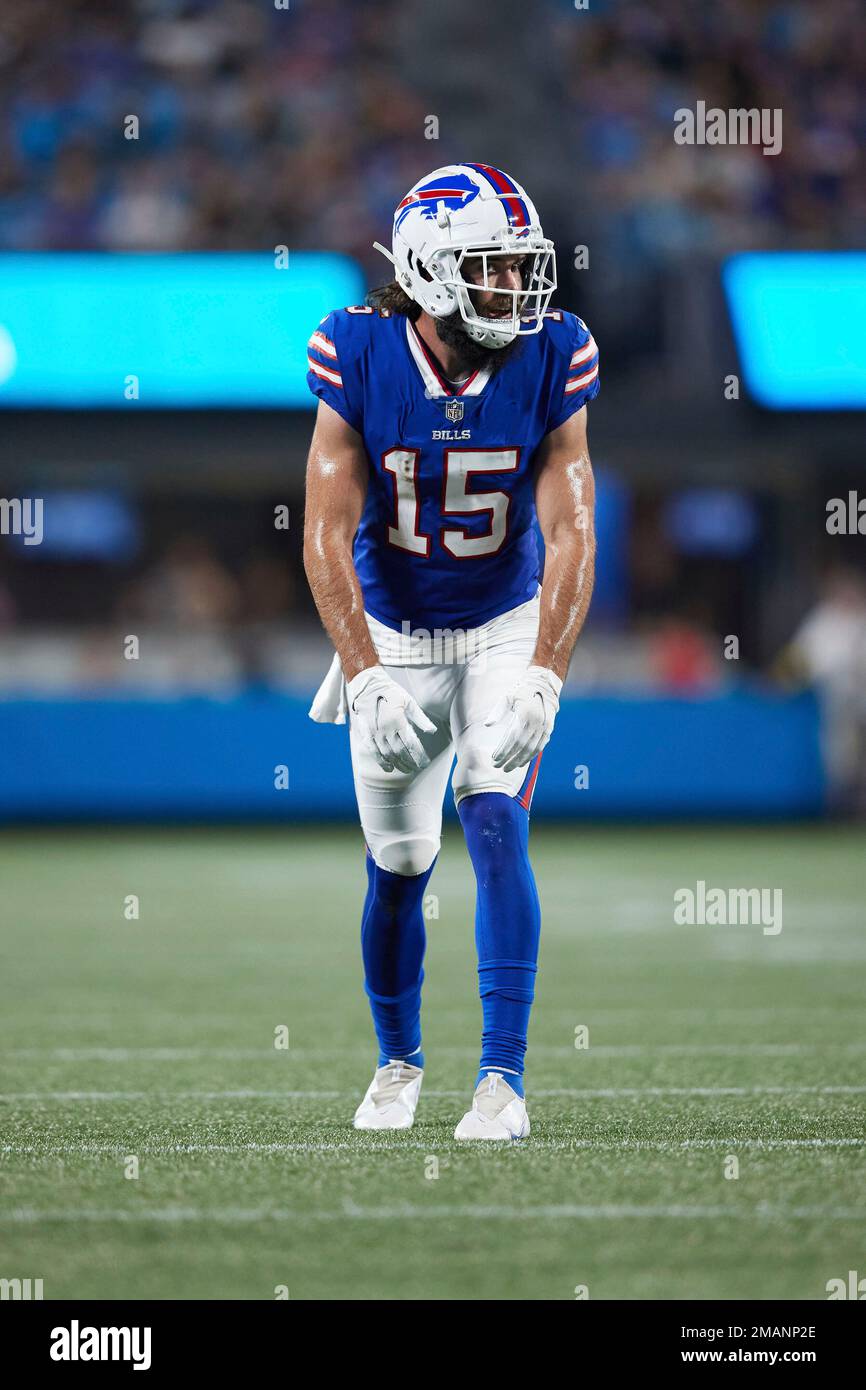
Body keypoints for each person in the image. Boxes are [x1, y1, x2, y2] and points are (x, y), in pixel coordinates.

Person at [303, 163, 598, 1139]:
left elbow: (570, 528)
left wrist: (548, 672)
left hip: (504, 618)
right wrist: (363, 669)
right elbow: (323, 530)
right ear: (431, 271)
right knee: (398, 861)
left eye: (521, 267)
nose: (517, 289)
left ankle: (501, 1082)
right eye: (493, 268)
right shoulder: (355, 349)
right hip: (394, 629)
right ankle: (397, 1062)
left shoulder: (554, 351)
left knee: (493, 815)